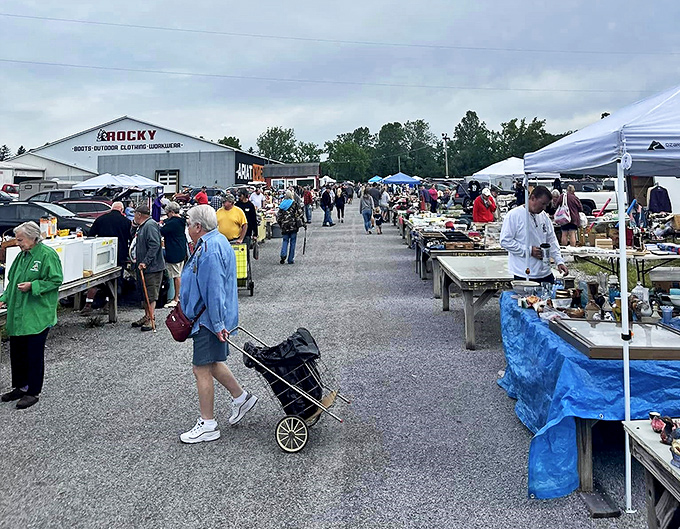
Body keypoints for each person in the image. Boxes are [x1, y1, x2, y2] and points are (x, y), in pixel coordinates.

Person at [179, 205, 258, 443]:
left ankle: (208, 423)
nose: (187, 227)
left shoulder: (210, 249)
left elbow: (213, 291)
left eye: (189, 223)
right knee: (212, 362)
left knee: (200, 368)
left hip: (208, 320)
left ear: (198, 227)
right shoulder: (217, 241)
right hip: (212, 318)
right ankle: (240, 397)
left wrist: (218, 323)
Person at [0, 222, 63, 410]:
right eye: (17, 239)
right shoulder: (21, 256)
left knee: (33, 353)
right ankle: (20, 386)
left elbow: (55, 279)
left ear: (33, 237)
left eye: (20, 239)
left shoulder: (46, 255)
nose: (17, 243)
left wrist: (33, 286)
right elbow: (12, 282)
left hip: (37, 313)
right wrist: (4, 298)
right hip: (19, 312)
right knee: (17, 351)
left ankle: (33, 391)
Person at [500, 185, 568, 283]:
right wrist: (528, 250)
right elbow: (505, 241)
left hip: (545, 272)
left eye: (546, 205)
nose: (544, 208)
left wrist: (559, 261)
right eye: (543, 204)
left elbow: (551, 240)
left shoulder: (544, 217)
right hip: (524, 273)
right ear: (532, 198)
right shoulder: (514, 216)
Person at [80, 201, 132, 315]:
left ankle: (88, 304)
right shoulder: (126, 222)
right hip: (119, 255)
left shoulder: (100, 219)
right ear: (122, 210)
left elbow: (91, 236)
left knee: (95, 280)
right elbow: (131, 239)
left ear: (111, 208)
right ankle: (108, 304)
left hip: (101, 255)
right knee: (115, 280)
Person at [131, 204, 165, 331]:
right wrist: (134, 225)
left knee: (150, 294)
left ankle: (151, 319)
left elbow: (155, 245)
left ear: (139, 214)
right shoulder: (142, 226)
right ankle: (146, 316)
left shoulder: (150, 226)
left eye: (135, 213)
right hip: (143, 267)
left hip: (152, 267)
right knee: (144, 295)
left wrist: (146, 261)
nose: (134, 216)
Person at [160, 201, 187, 309]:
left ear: (171, 212)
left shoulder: (172, 223)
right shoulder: (181, 221)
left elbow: (161, 231)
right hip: (181, 250)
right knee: (179, 274)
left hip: (174, 251)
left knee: (176, 276)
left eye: (167, 213)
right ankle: (177, 296)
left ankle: (176, 298)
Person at [276, 190, 305, 264]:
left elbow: (278, 216)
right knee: (293, 242)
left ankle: (283, 254)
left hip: (284, 226)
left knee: (285, 241)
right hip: (293, 225)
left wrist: (280, 224)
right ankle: (290, 259)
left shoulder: (282, 204)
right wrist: (303, 223)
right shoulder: (294, 204)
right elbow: (300, 214)